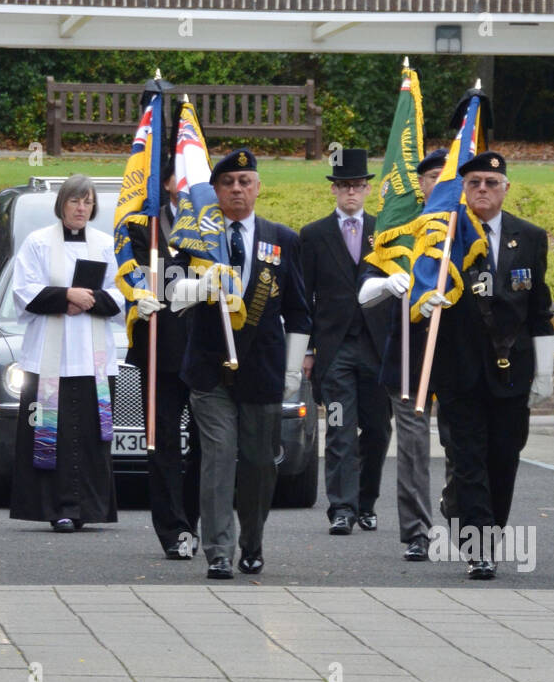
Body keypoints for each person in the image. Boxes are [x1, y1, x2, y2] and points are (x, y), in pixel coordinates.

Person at [170, 148, 311, 580]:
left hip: (263, 369)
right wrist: (198, 288)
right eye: (228, 183)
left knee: (257, 464)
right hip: (210, 369)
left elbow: (300, 311)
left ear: (257, 187)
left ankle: (252, 541)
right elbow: (169, 295)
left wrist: (292, 368)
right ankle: (217, 550)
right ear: (214, 190)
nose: (236, 189)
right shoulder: (194, 239)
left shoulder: (283, 239)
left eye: (244, 181)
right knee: (217, 456)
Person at [416, 151, 554, 579]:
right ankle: (483, 548)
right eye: (474, 182)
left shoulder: (528, 237)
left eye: (491, 183)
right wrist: (426, 300)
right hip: (459, 366)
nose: (482, 190)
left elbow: (539, 308)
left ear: (506, 188)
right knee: (468, 454)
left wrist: (545, 371)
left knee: (504, 456)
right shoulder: (444, 234)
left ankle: (478, 522)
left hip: (512, 367)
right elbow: (421, 288)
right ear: (463, 188)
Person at [10, 174, 123, 533]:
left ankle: (89, 507)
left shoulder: (106, 245)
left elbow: (120, 295)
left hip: (93, 360)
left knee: (91, 436)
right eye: (75, 201)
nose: (81, 208)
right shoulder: (38, 242)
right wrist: (65, 296)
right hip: (49, 359)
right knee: (52, 436)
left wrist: (87, 300)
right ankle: (56, 508)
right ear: (62, 204)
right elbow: (23, 291)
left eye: (88, 202)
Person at [358, 148, 447, 562]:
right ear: (420, 183)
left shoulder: (471, 229)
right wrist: (386, 285)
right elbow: (364, 292)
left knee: (463, 443)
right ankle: (417, 531)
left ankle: (462, 503)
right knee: (413, 445)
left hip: (462, 353)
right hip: (411, 354)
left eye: (446, 176)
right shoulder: (399, 230)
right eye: (430, 176)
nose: (438, 183)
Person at [299, 148, 392, 536]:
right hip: (335, 348)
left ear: (367, 189)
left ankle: (366, 502)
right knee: (339, 426)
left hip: (376, 347)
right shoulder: (314, 235)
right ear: (334, 190)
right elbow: (303, 297)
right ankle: (341, 507)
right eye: (344, 185)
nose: (351, 192)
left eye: (357, 185)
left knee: (377, 429)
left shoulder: (384, 232)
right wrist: (306, 350)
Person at [122, 172, 201, 560]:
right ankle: (173, 530)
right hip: (160, 349)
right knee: (163, 444)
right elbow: (128, 267)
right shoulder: (144, 224)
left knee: (206, 446)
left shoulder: (210, 220)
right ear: (167, 181)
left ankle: (195, 518)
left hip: (204, 351)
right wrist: (138, 296)